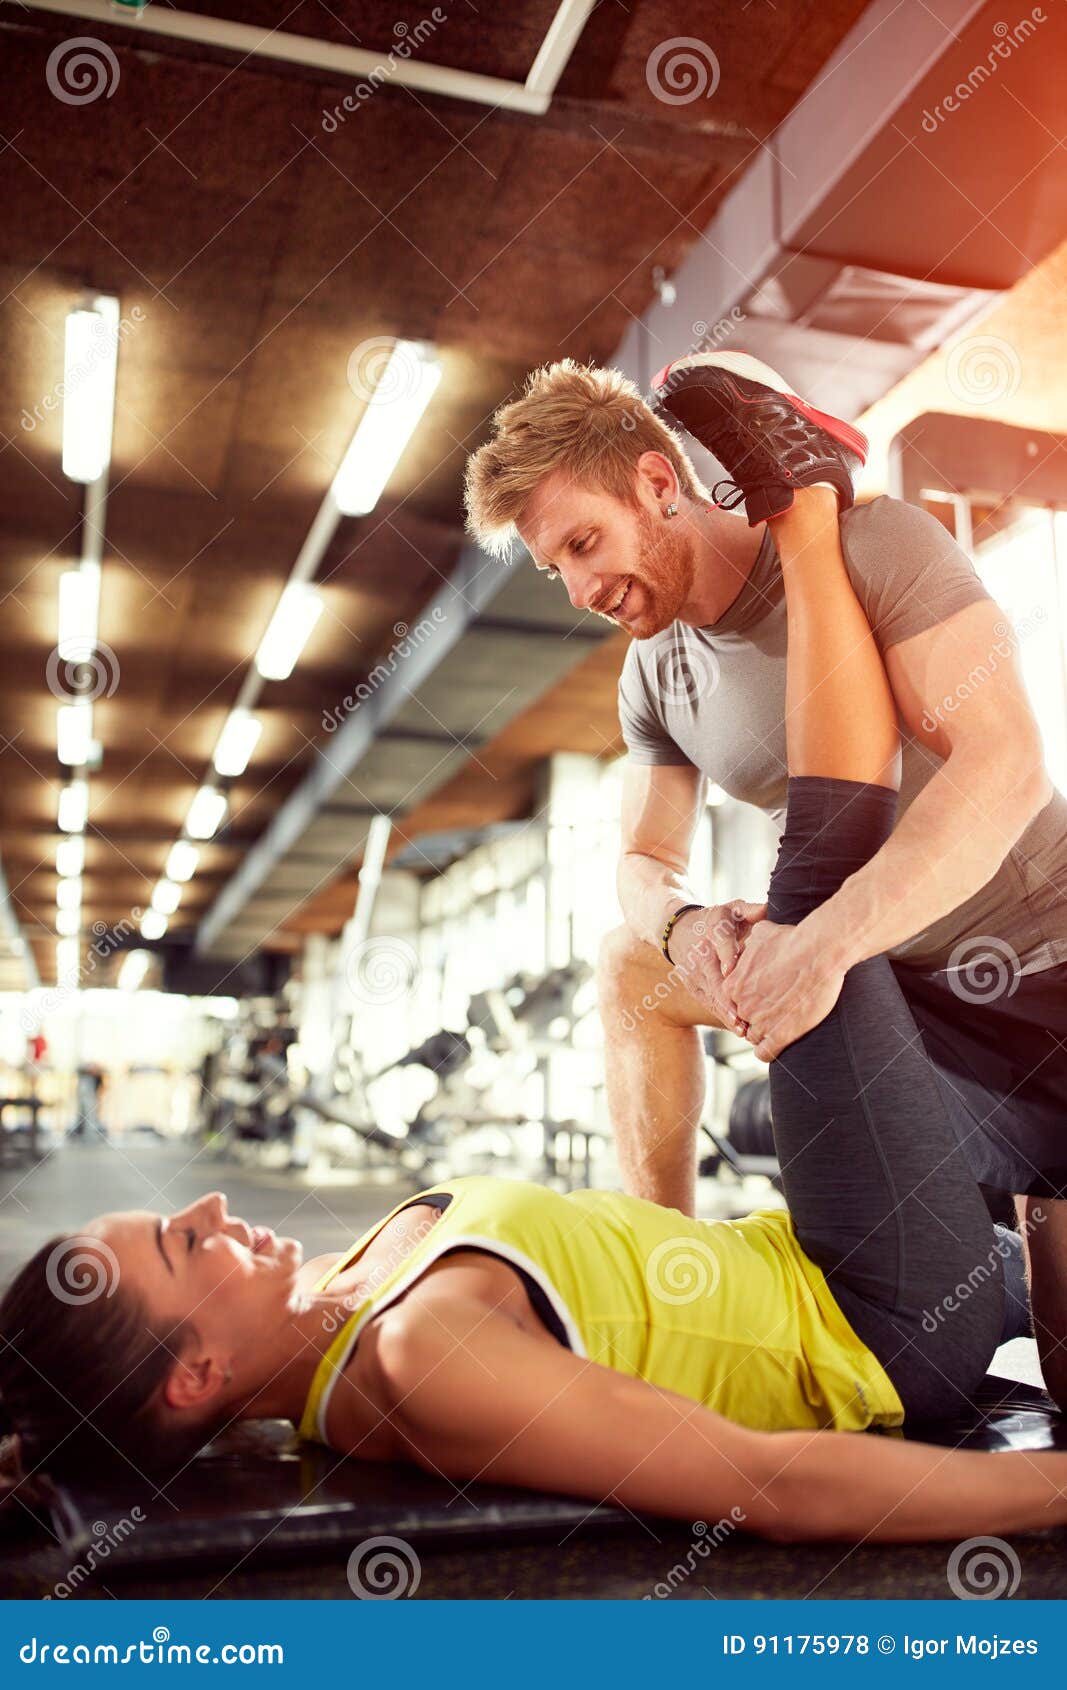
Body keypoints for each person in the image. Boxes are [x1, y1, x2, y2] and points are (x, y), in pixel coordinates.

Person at [0, 460, 1056, 1545]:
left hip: (812, 1248)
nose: (211, 1210)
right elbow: (773, 1484)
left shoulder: (326, 1293)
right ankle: (806, 505)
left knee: (645, 961)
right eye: (185, 1245)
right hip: (878, 1328)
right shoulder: (420, 1364)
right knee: (813, 914)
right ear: (198, 1374)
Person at [464, 351, 1067, 1408]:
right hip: (905, 1001)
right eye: (551, 566)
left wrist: (825, 937)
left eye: (581, 543)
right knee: (629, 966)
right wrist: (686, 921)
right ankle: (668, 1273)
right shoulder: (656, 669)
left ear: (658, 483)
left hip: (1043, 974)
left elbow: (1006, 763)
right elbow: (640, 861)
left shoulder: (878, 543)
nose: (577, 588)